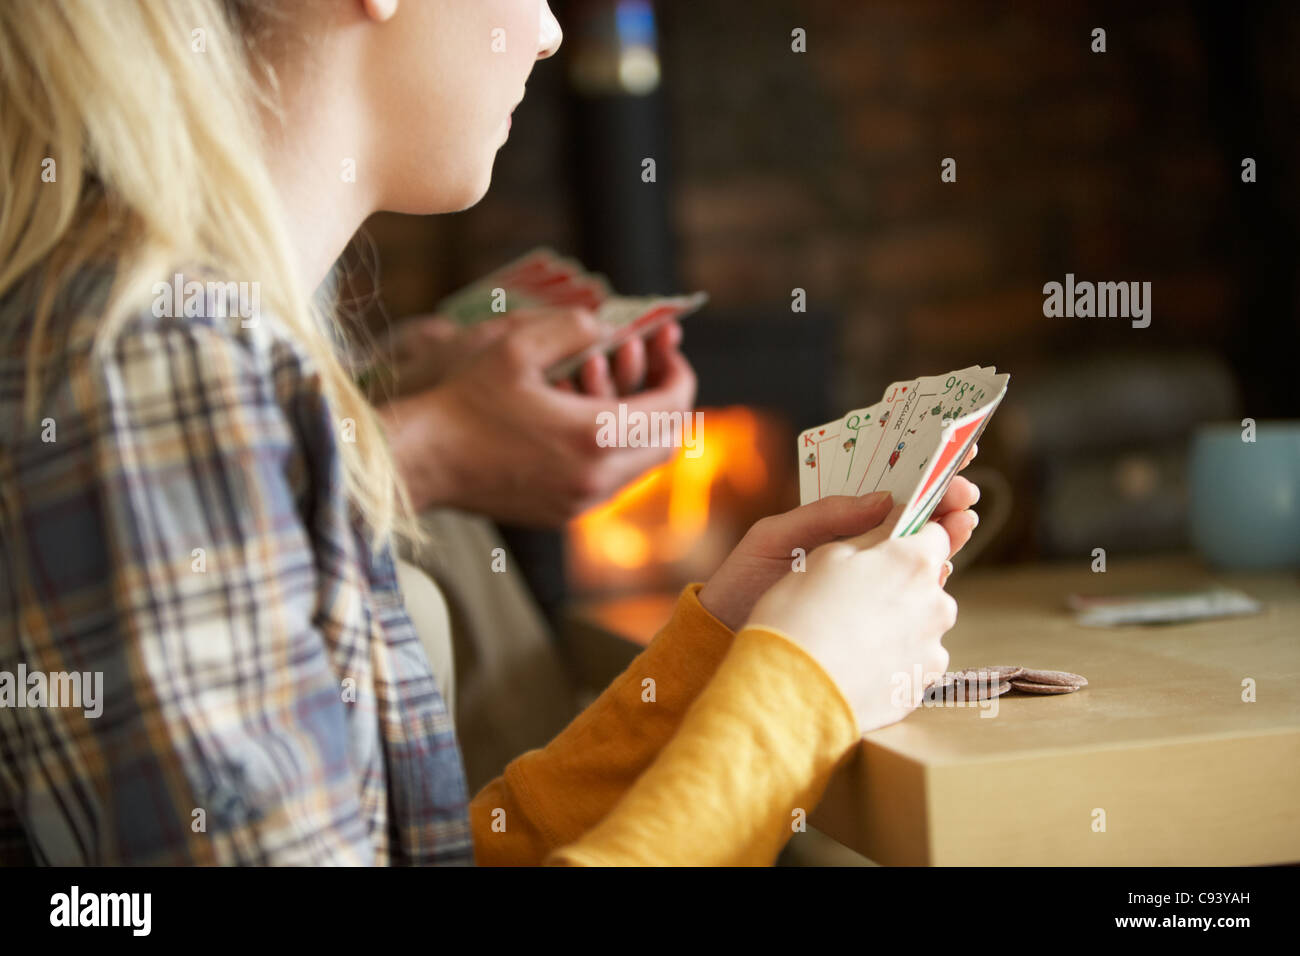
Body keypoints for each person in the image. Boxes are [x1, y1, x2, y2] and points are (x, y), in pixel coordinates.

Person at [0, 0, 979, 865]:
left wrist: (720, 654)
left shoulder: (213, 351)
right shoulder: (163, 367)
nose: (550, 32)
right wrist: (796, 694)